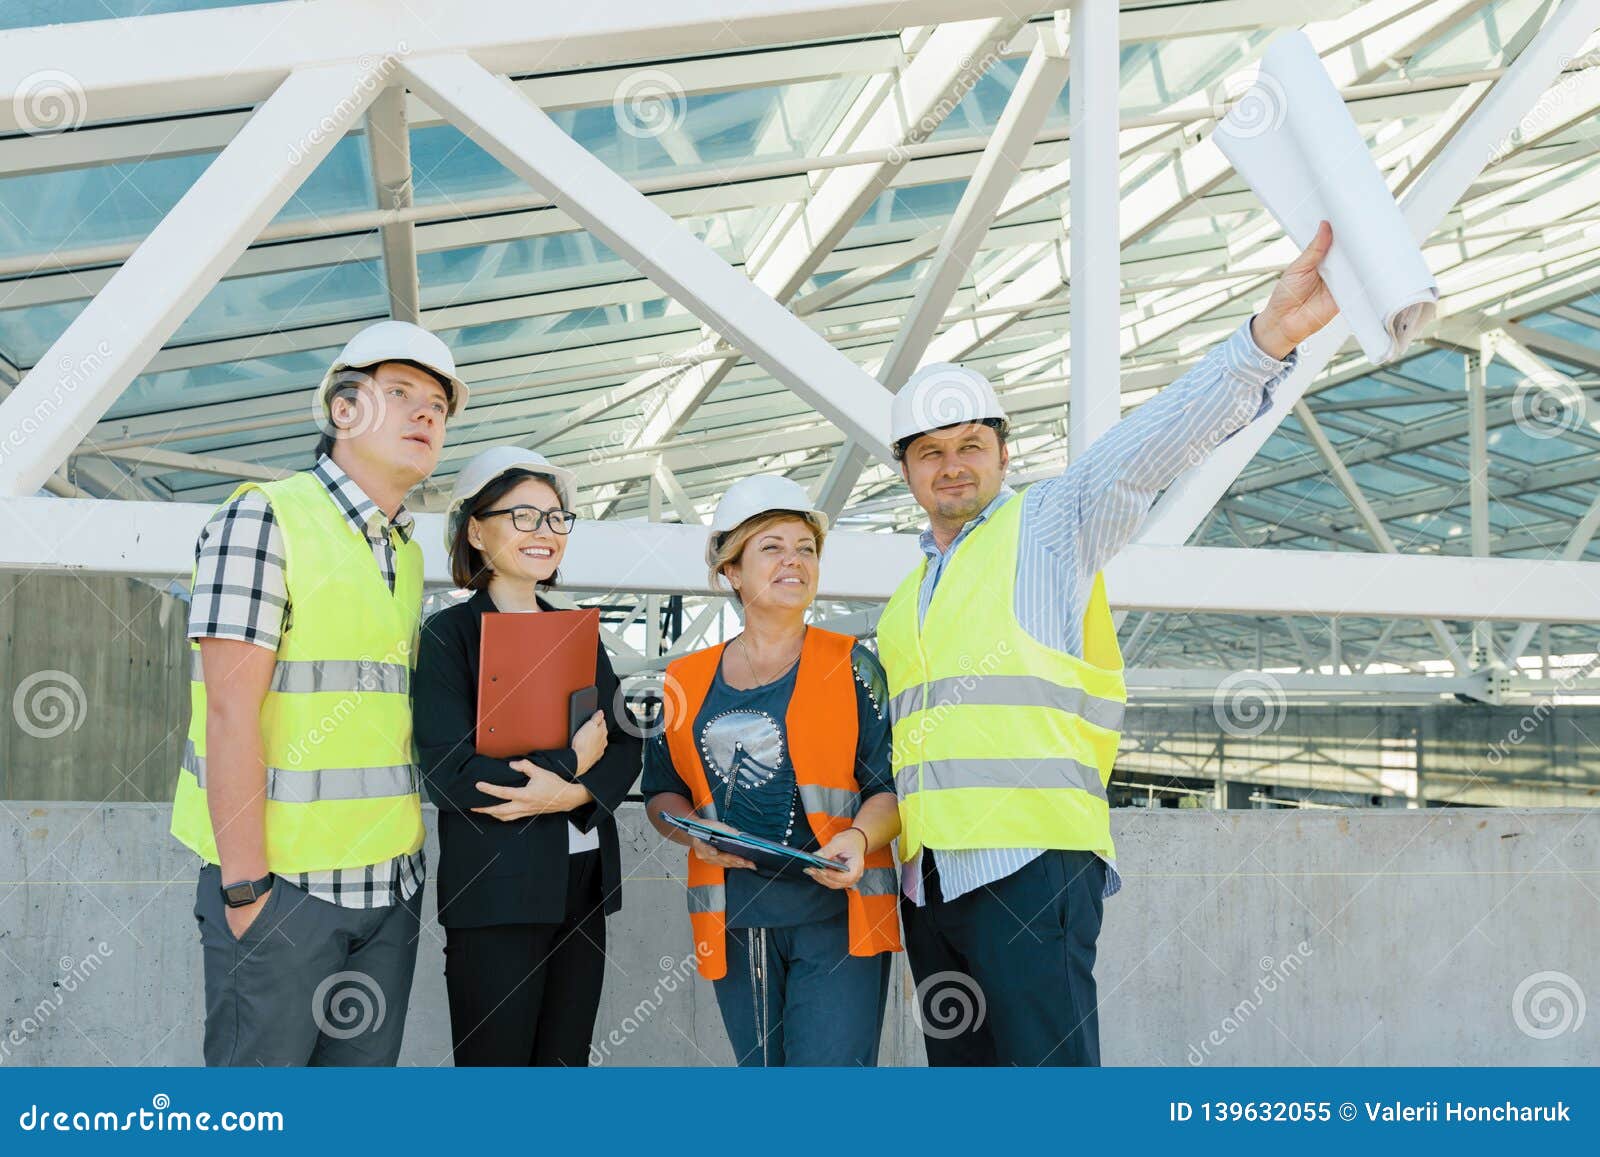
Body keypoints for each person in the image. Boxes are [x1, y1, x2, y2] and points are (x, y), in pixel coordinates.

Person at [879, 221, 1341, 1066]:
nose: (952, 467)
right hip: (931, 879)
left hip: (1029, 864)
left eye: (971, 447)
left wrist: (1265, 339)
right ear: (906, 471)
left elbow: (1150, 445)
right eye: (931, 453)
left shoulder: (1050, 525)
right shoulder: (905, 598)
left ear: (1004, 453)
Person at [172, 319, 466, 1066]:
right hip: (283, 894)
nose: (425, 413)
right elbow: (232, 710)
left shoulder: (400, 548)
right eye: (400, 393)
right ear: (343, 410)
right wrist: (245, 891)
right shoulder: (265, 518)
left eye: (438, 404)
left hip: (388, 892)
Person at [642, 475, 901, 1066]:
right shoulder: (683, 679)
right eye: (772, 547)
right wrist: (693, 834)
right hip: (738, 917)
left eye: (805, 548)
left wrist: (858, 840)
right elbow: (661, 792)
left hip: (838, 913)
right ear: (731, 571)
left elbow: (888, 789)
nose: (794, 560)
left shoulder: (854, 666)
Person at [413, 446, 642, 1067]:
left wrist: (573, 794)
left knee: (563, 1069)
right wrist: (570, 764)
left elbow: (624, 743)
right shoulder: (448, 636)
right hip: (498, 894)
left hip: (581, 883)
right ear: (477, 531)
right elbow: (450, 770)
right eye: (524, 516)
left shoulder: (575, 631)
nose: (546, 531)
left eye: (556, 517)